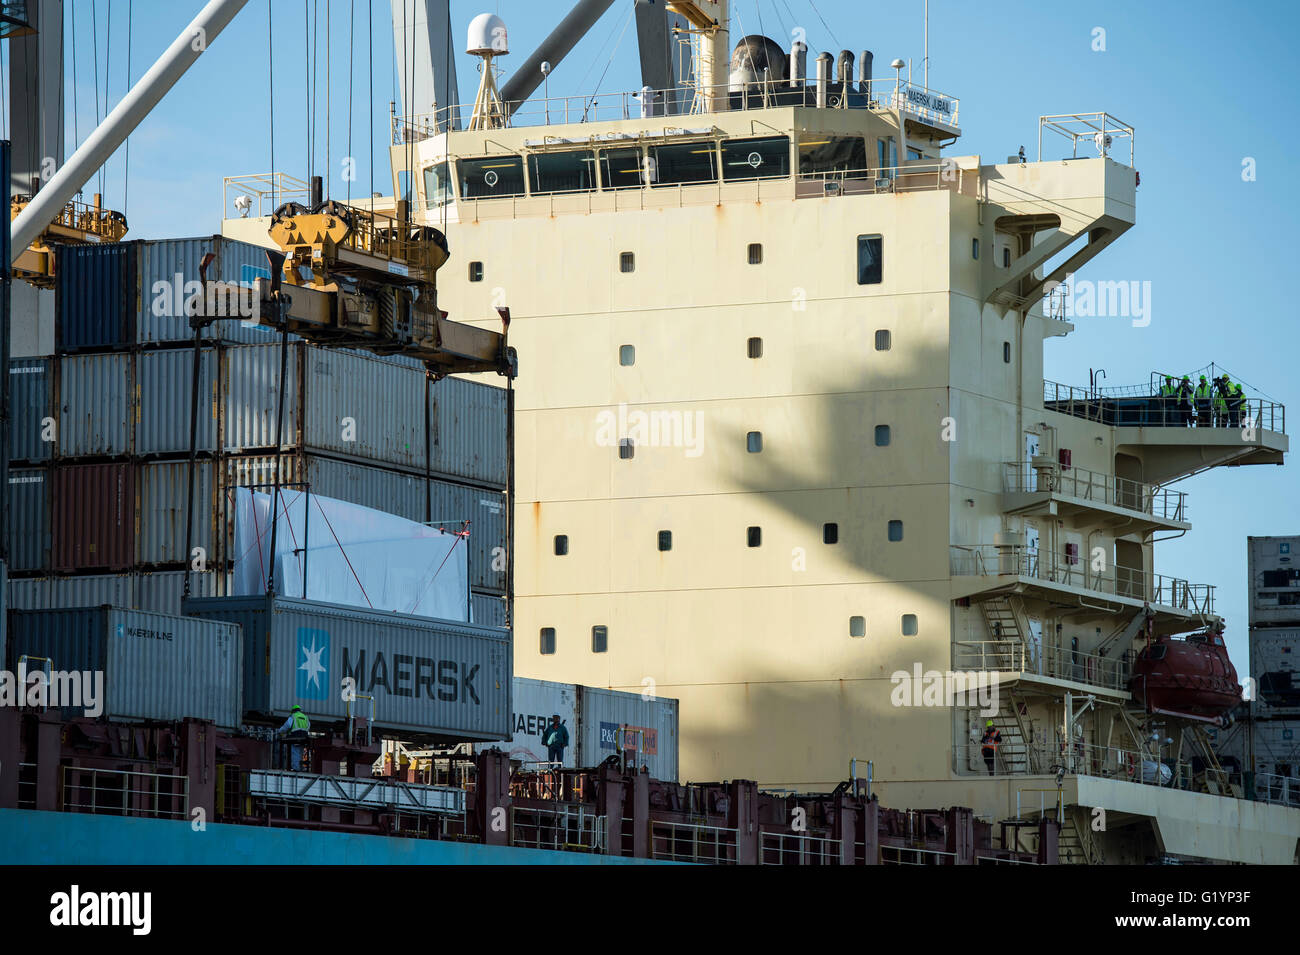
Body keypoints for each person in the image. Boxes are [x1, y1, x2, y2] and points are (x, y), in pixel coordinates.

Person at [275, 704, 311, 770]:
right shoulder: (305, 717)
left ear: (293, 711)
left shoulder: (293, 716)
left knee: (295, 753)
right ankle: (301, 768)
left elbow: (287, 726)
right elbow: (308, 726)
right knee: (300, 753)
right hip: (304, 738)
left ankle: (296, 769)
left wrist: (280, 731)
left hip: (295, 737)